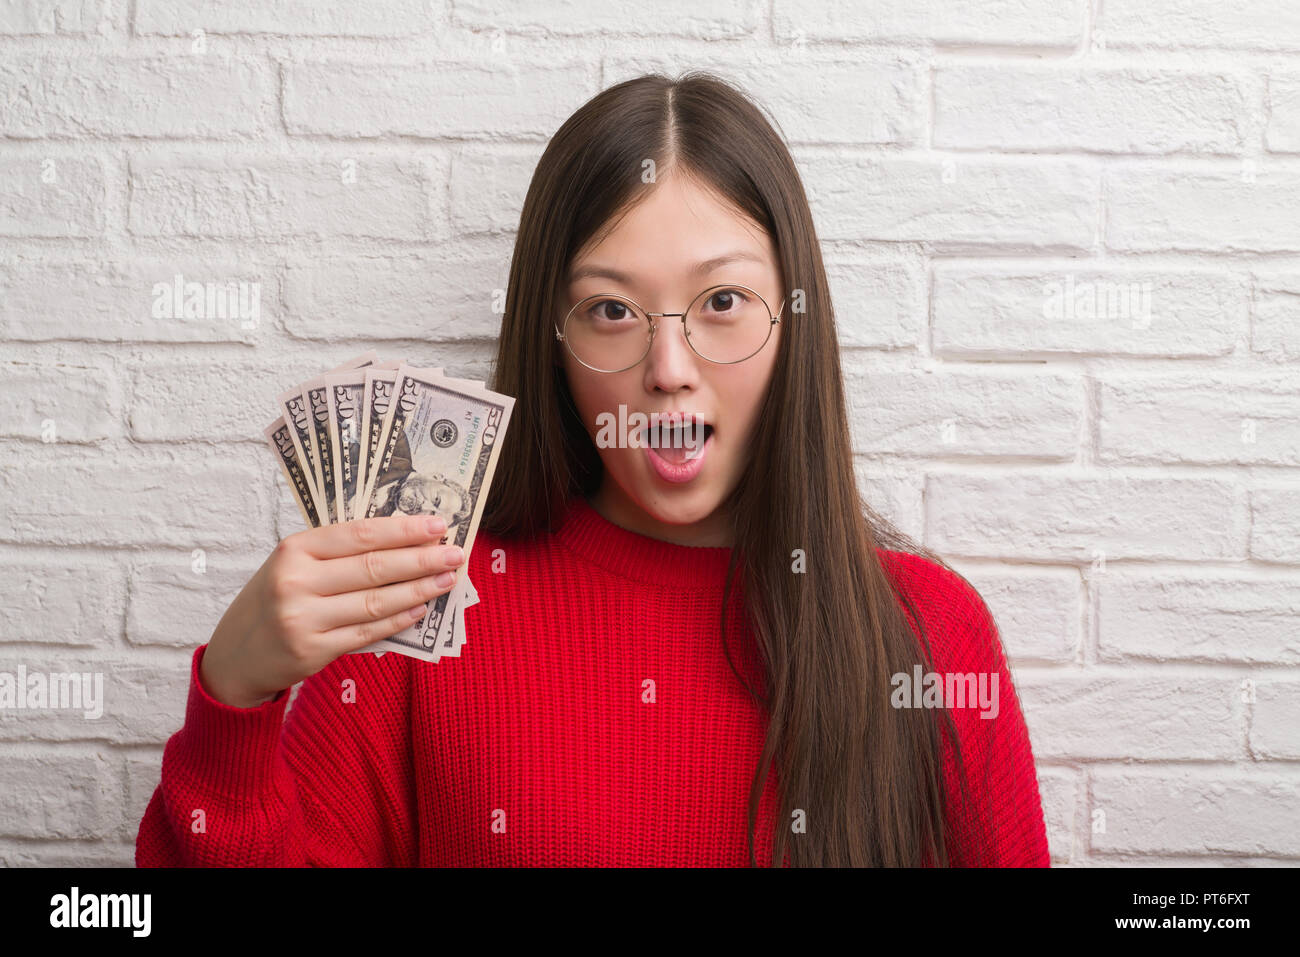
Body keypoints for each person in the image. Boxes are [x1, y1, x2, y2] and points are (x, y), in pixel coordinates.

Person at [135, 72, 1049, 867]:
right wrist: (236, 696)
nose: (670, 367)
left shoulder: (933, 635)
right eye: (612, 310)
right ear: (553, 337)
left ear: (794, 318)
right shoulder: (418, 612)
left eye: (723, 302)